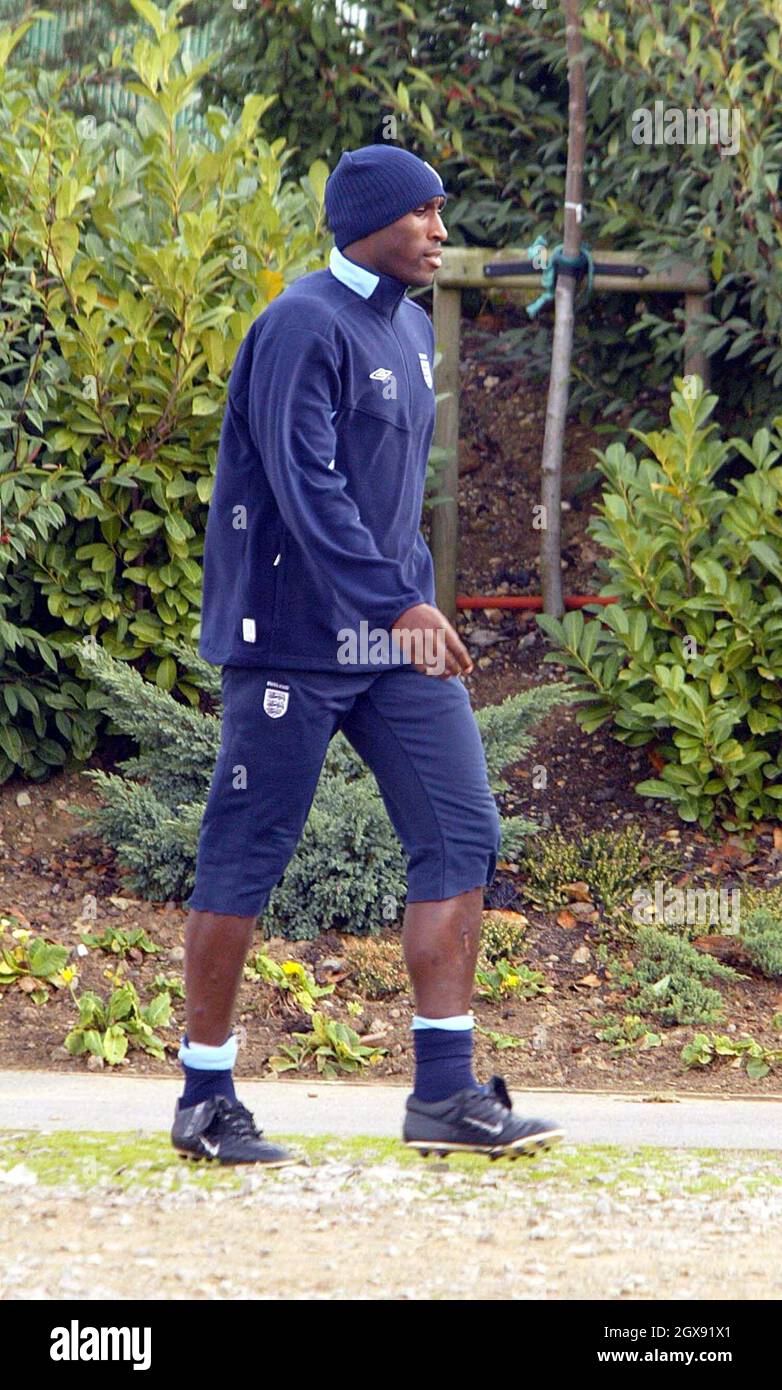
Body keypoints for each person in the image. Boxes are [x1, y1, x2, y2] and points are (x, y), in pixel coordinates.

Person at [170, 144, 565, 1165]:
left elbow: (385, 498)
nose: (441, 231)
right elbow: (306, 488)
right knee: (245, 853)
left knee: (461, 830)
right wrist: (399, 603)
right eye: (425, 214)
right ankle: (204, 1097)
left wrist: (408, 605)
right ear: (372, 222)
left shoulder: (402, 329)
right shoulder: (299, 323)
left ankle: (444, 1095)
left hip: (387, 643)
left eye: (442, 212)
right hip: (290, 646)